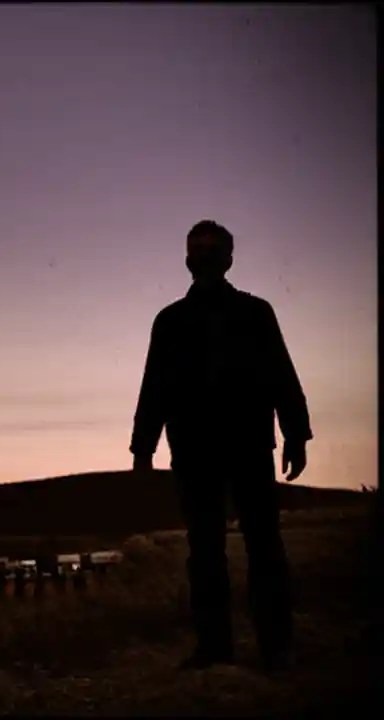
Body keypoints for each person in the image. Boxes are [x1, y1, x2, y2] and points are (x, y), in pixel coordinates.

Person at [130, 220, 312, 672]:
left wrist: (296, 433)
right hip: (194, 451)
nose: (204, 259)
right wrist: (142, 448)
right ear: (189, 260)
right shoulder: (170, 321)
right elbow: (155, 386)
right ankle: (215, 648)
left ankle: (276, 647)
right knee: (206, 549)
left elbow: (280, 373)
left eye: (212, 251)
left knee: (263, 546)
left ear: (228, 259)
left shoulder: (256, 313)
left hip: (249, 444)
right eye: (198, 251)